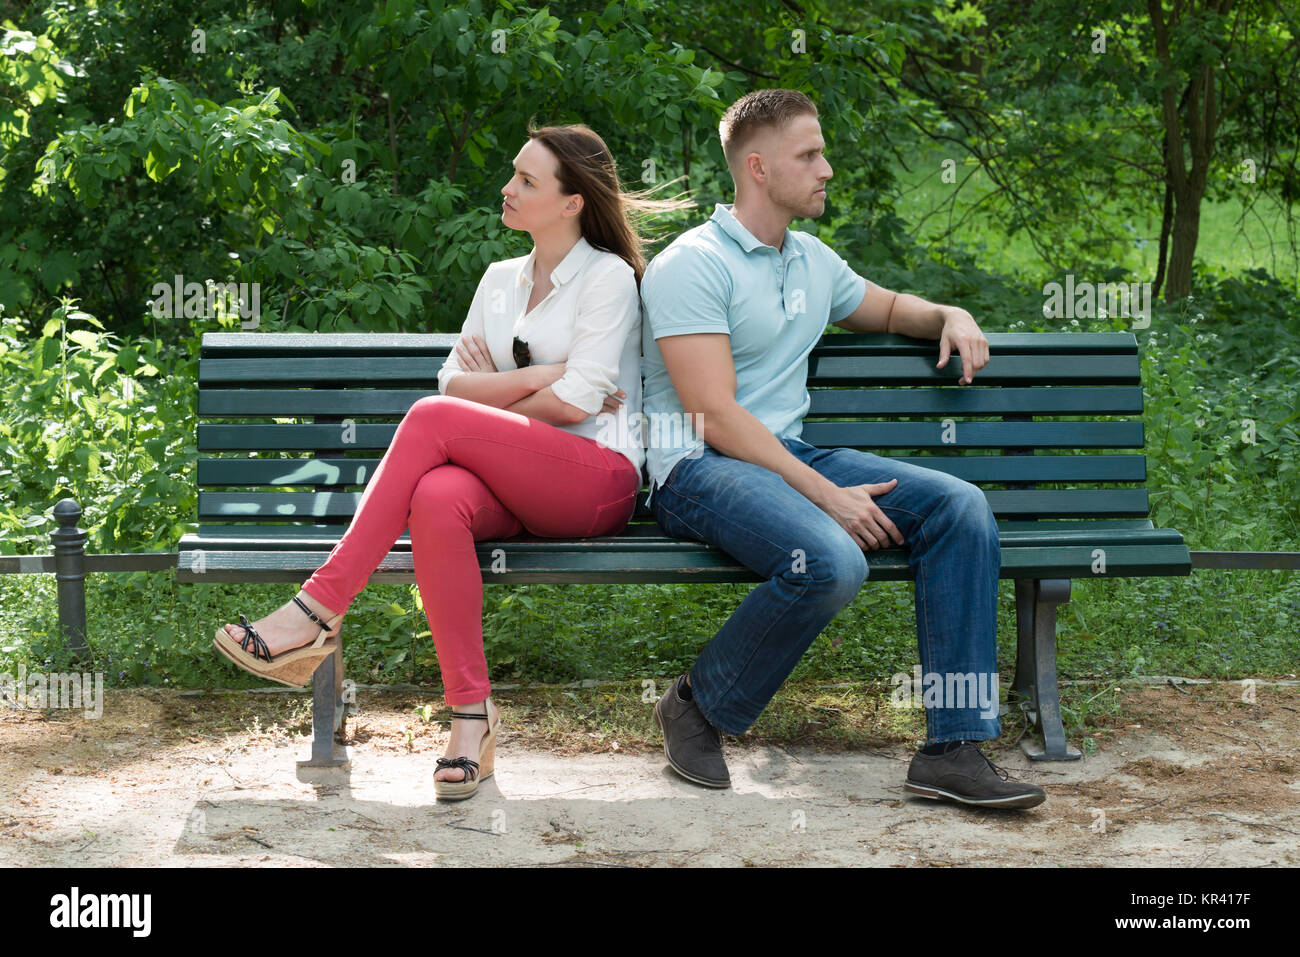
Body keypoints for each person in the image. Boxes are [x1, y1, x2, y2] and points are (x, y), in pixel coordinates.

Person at [215, 122, 691, 800]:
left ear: (572, 202)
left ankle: (318, 608)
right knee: (437, 495)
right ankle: (471, 719)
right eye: (513, 172)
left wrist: (497, 398)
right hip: (515, 480)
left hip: (595, 481)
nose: (508, 187)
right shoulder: (499, 280)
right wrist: (543, 374)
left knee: (434, 424)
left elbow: (576, 400)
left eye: (527, 180)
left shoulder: (609, 278)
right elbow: (453, 381)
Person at [641, 89, 1046, 810]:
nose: (826, 168)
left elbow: (888, 308)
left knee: (959, 506)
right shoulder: (692, 265)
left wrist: (949, 313)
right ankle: (695, 707)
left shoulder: (810, 261)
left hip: (787, 455)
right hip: (697, 468)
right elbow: (714, 416)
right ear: (758, 168)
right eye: (810, 155)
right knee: (828, 559)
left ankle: (952, 749)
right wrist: (825, 496)